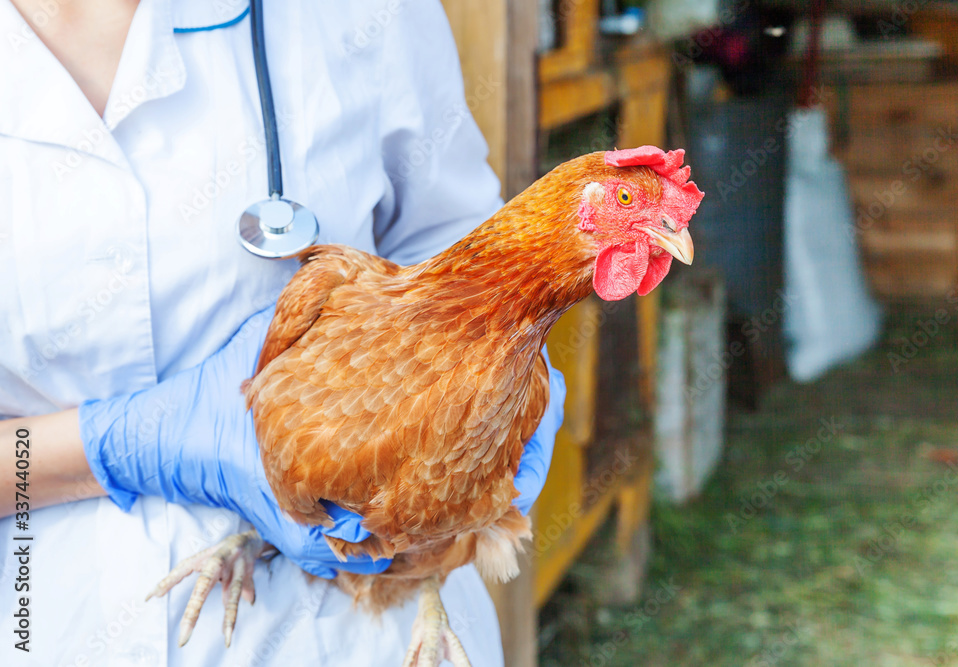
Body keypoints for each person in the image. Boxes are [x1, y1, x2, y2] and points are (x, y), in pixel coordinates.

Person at [0, 1, 564, 665]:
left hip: (358, 616)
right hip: (49, 623)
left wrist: (506, 379)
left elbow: (457, 256)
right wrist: (109, 447)